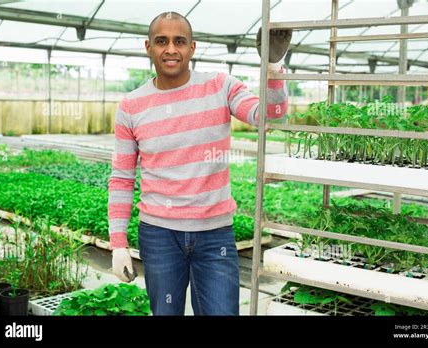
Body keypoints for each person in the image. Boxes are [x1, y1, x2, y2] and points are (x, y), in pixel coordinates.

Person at [109, 11, 292, 315]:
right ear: (148, 47)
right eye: (161, 41)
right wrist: (117, 243)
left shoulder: (221, 86)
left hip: (214, 234)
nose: (171, 49)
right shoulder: (131, 106)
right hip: (158, 235)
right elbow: (122, 178)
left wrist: (272, 68)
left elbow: (269, 118)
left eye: (179, 41)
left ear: (192, 48)